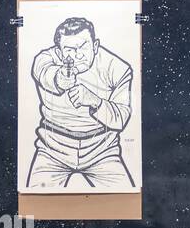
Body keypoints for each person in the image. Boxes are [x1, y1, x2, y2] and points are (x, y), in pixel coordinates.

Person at [27, 16, 134, 189]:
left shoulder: (118, 69)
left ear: (95, 45)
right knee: (31, 202)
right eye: (69, 49)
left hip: (102, 151)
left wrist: (94, 101)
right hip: (52, 150)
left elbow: (121, 119)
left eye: (83, 46)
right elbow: (44, 72)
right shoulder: (45, 59)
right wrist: (59, 79)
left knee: (127, 198)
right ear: (59, 51)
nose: (77, 55)